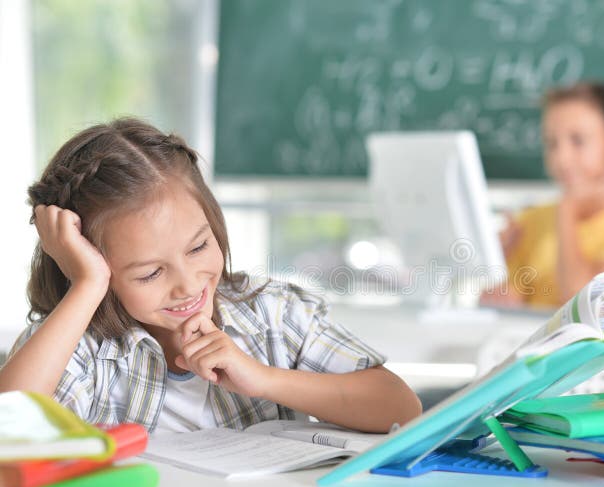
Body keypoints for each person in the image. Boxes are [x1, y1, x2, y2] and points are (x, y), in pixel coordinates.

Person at [0, 118, 421, 434]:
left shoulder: (272, 314)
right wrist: (86, 286)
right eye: (150, 273)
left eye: (199, 247)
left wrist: (264, 380)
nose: (188, 283)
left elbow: (400, 408)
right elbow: (8, 431)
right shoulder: (82, 347)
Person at [484, 82, 604, 308]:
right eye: (551, 144)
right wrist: (496, 260)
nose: (562, 159)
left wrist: (566, 211)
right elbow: (499, 306)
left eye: (578, 141)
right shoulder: (530, 221)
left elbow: (584, 307)